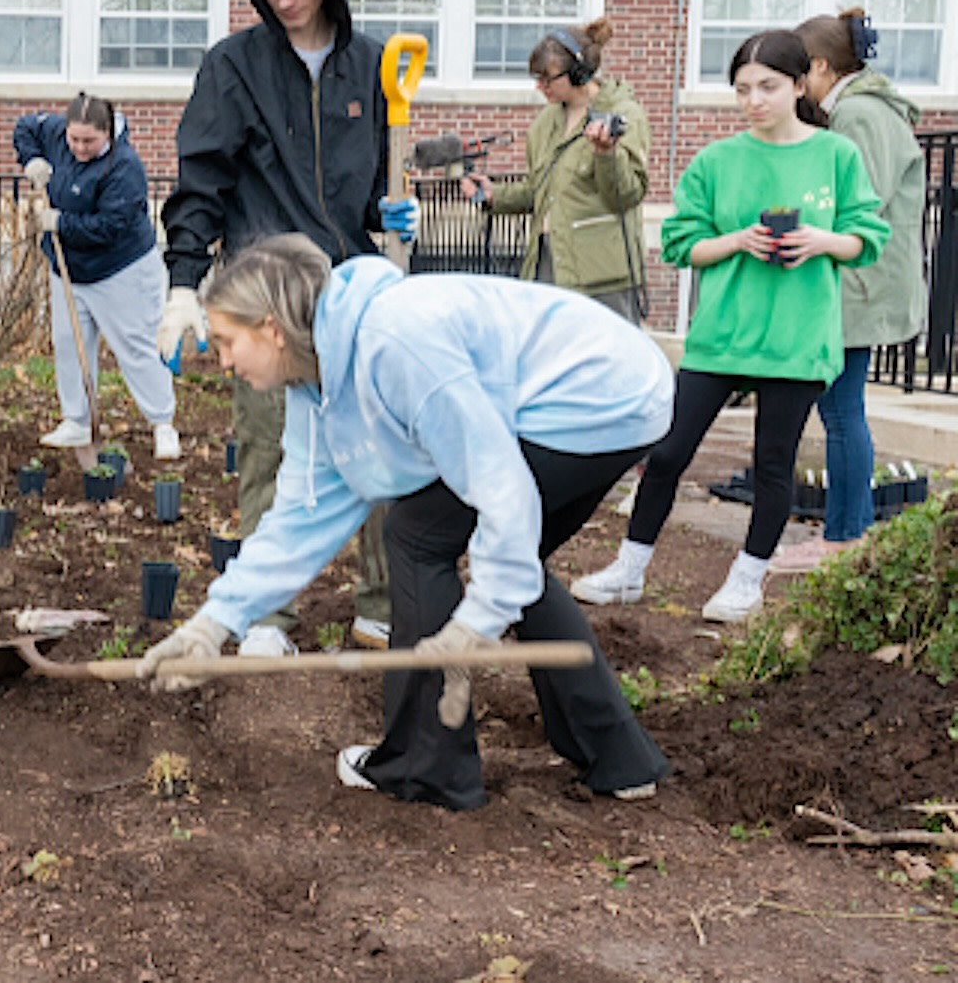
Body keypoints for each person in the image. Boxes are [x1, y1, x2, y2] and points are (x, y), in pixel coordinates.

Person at [136, 234, 673, 811]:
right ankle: (619, 759)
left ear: (270, 327)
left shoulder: (395, 344)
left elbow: (497, 484)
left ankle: (428, 767)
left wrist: (479, 620)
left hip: (598, 397)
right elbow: (300, 517)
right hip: (612, 395)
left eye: (225, 341)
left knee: (418, 535)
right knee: (507, 558)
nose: (223, 361)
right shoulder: (317, 382)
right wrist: (213, 624)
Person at [157, 0, 415, 653]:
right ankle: (267, 613)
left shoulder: (371, 64)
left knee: (381, 446)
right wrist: (183, 283)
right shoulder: (233, 66)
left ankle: (382, 602)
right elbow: (200, 181)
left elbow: (366, 190)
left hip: (350, 291)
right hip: (266, 292)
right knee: (269, 452)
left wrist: (391, 214)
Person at [571, 30, 888, 622]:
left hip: (796, 340)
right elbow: (681, 244)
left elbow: (867, 239)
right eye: (742, 90)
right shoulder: (717, 160)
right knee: (666, 455)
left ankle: (746, 580)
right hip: (721, 336)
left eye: (767, 87)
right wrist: (737, 241)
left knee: (774, 463)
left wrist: (821, 240)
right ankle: (630, 569)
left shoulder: (836, 155)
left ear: (799, 85)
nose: (754, 101)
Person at [773, 11, 926, 573]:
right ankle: (848, 530)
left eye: (796, 71)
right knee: (842, 410)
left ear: (818, 66)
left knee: (841, 412)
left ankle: (843, 537)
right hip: (861, 279)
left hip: (861, 282)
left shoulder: (860, 114)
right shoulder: (864, 109)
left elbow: (863, 199)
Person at [15, 93, 179, 460]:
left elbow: (110, 226)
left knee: (134, 347)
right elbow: (25, 127)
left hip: (120, 269)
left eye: (89, 141)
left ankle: (162, 423)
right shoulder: (59, 134)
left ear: (108, 132)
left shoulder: (124, 167)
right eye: (74, 139)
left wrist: (60, 222)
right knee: (69, 344)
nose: (79, 147)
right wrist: (34, 160)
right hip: (70, 270)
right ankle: (77, 420)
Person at [461, 19, 651, 324]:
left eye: (547, 79)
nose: (540, 87)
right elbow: (540, 191)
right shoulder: (545, 122)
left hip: (601, 277)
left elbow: (626, 196)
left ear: (579, 74)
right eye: (537, 79)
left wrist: (606, 155)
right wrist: (495, 196)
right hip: (548, 266)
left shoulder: (624, 114)